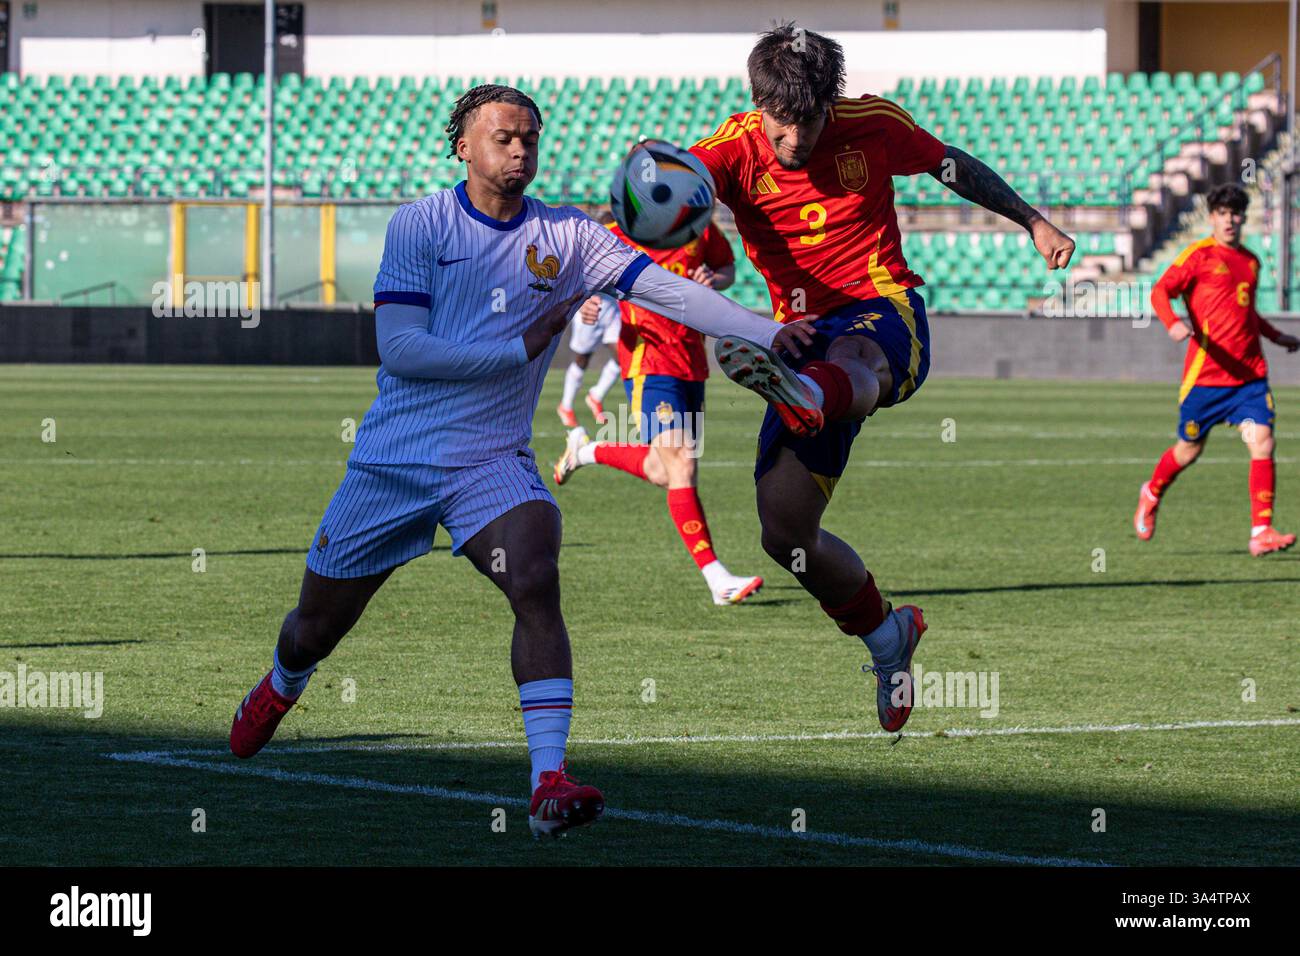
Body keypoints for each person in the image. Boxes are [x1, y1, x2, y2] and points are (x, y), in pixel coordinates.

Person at [227, 84, 810, 838]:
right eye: (504, 137)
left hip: (492, 460)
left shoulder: (570, 237)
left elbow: (668, 290)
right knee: (314, 626)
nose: (521, 150)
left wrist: (766, 332)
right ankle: (283, 683)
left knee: (535, 572)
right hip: (394, 459)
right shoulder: (421, 225)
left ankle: (546, 783)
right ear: (463, 146)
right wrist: (517, 346)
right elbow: (400, 349)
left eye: (530, 138)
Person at [689, 23, 1075, 731]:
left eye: (810, 121)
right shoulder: (727, 151)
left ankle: (809, 394)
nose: (796, 139)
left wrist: (1032, 221)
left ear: (829, 104)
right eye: (782, 122)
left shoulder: (872, 123)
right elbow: (678, 182)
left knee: (850, 364)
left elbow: (949, 165)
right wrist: (645, 190)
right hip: (794, 336)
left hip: (881, 310)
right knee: (786, 535)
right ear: (757, 102)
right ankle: (887, 637)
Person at [555, 214, 763, 605]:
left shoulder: (698, 227)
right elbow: (569, 277)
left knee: (663, 470)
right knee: (682, 462)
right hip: (648, 364)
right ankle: (718, 579)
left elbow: (727, 268)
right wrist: (585, 302)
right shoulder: (615, 234)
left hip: (691, 363)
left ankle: (585, 450)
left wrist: (714, 281)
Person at [1134, 183, 1299, 555]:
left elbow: (1247, 315)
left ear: (1243, 218)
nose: (1230, 220)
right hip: (1206, 379)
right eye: (1223, 213)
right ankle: (1152, 491)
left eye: (1236, 213)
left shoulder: (1251, 261)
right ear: (1212, 217)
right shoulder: (1197, 256)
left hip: (1249, 377)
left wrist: (1276, 337)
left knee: (1262, 442)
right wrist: (1173, 322)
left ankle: (1261, 531)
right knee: (1189, 450)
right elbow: (1160, 291)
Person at [557, 212, 622, 428]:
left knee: (623, 356)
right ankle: (566, 405)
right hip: (590, 306)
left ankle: (596, 395)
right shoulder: (587, 249)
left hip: (612, 307)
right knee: (582, 358)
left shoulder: (621, 247)